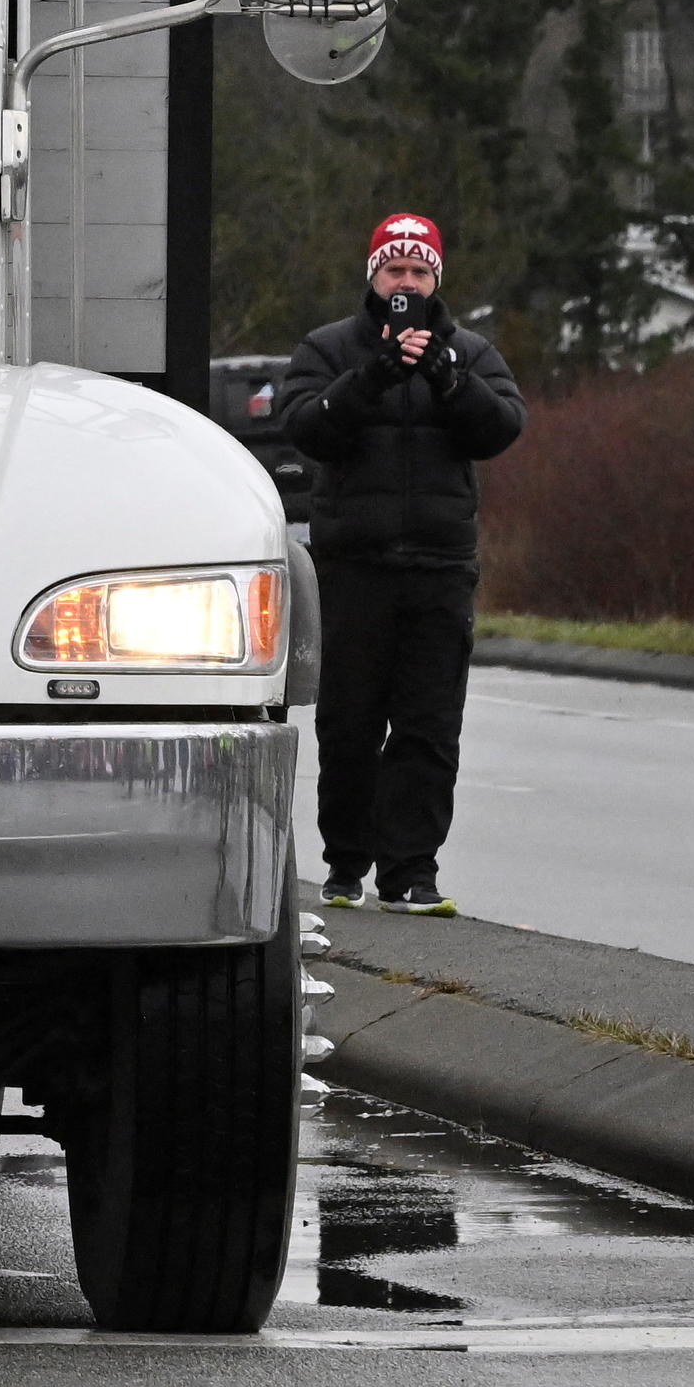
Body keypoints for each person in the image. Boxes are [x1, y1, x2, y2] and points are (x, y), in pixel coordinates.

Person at [269, 213, 528, 915]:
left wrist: (448, 378)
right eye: (394, 270)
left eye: (417, 272)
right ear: (373, 276)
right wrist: (371, 377)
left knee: (428, 723)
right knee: (349, 722)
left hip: (440, 565)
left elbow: (502, 426)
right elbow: (306, 424)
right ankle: (347, 863)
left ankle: (413, 870)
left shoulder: (469, 351)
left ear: (435, 279)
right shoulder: (328, 348)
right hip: (354, 565)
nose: (405, 283)